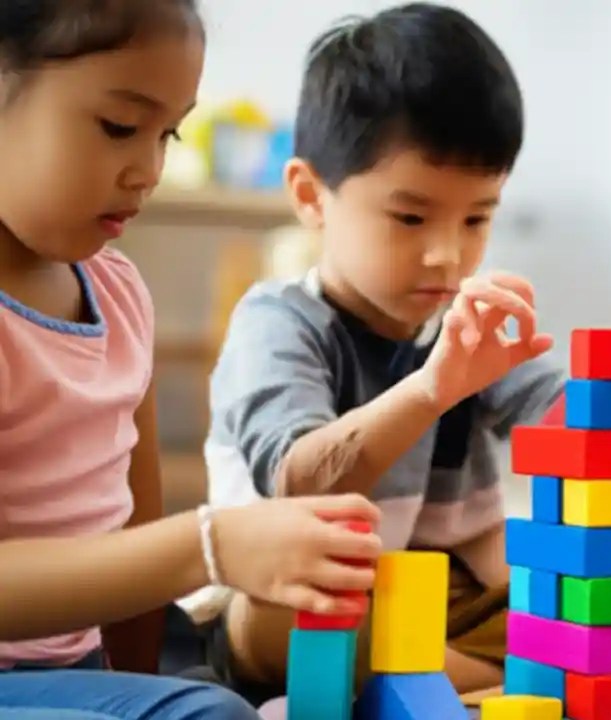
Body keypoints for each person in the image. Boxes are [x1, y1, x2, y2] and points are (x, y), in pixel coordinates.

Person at [0, 2, 383, 718]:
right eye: (119, 126)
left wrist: (144, 690)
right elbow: (168, 550)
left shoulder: (118, 296)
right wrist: (207, 546)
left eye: (167, 132)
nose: (148, 170)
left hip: (72, 676)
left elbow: (136, 538)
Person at [179, 2, 564, 707]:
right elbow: (299, 483)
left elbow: (565, 416)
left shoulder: (464, 317)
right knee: (306, 615)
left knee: (578, 598)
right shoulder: (280, 324)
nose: (447, 254)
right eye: (410, 217)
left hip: (448, 596)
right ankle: (477, 678)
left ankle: (470, 671)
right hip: (296, 589)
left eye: (478, 217)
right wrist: (430, 390)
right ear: (310, 196)